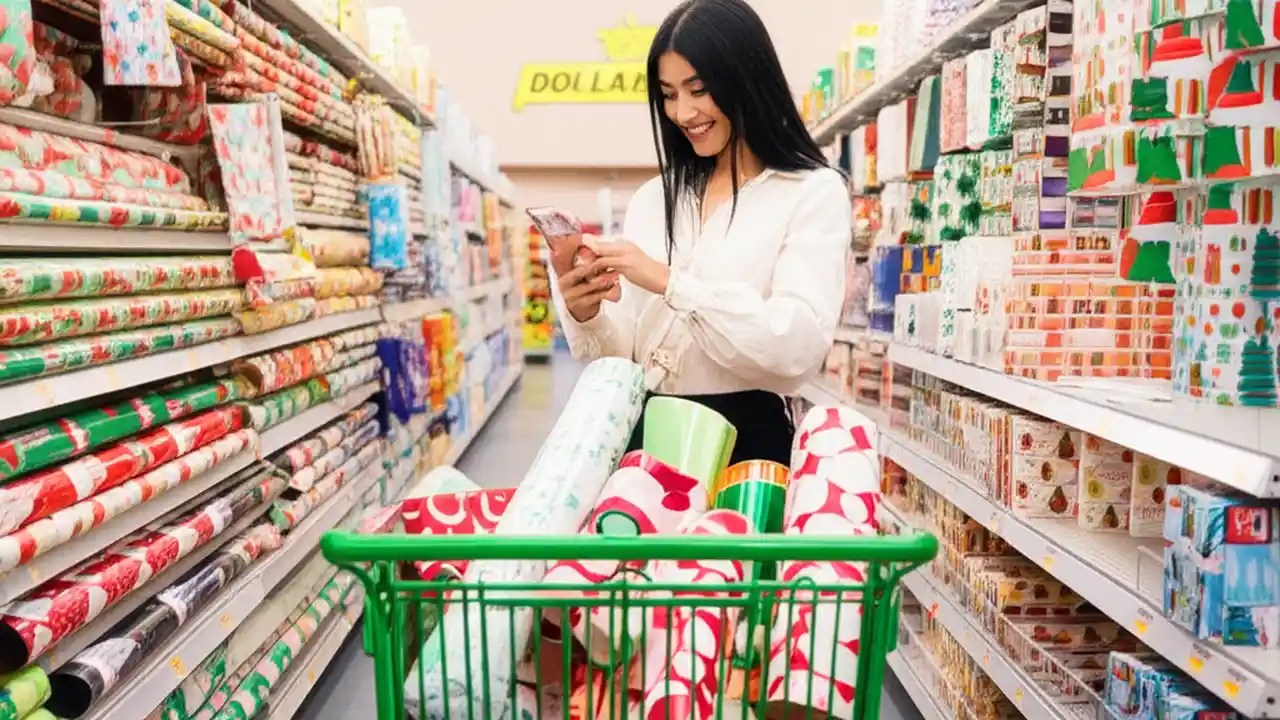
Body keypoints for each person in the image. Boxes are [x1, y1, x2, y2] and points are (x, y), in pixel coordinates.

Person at [548, 0, 852, 466]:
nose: (682, 112)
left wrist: (670, 283)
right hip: (645, 438)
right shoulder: (655, 198)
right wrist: (586, 311)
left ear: (747, 80)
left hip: (746, 445)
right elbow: (625, 356)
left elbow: (796, 348)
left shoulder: (812, 192)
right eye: (668, 94)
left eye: (699, 89)